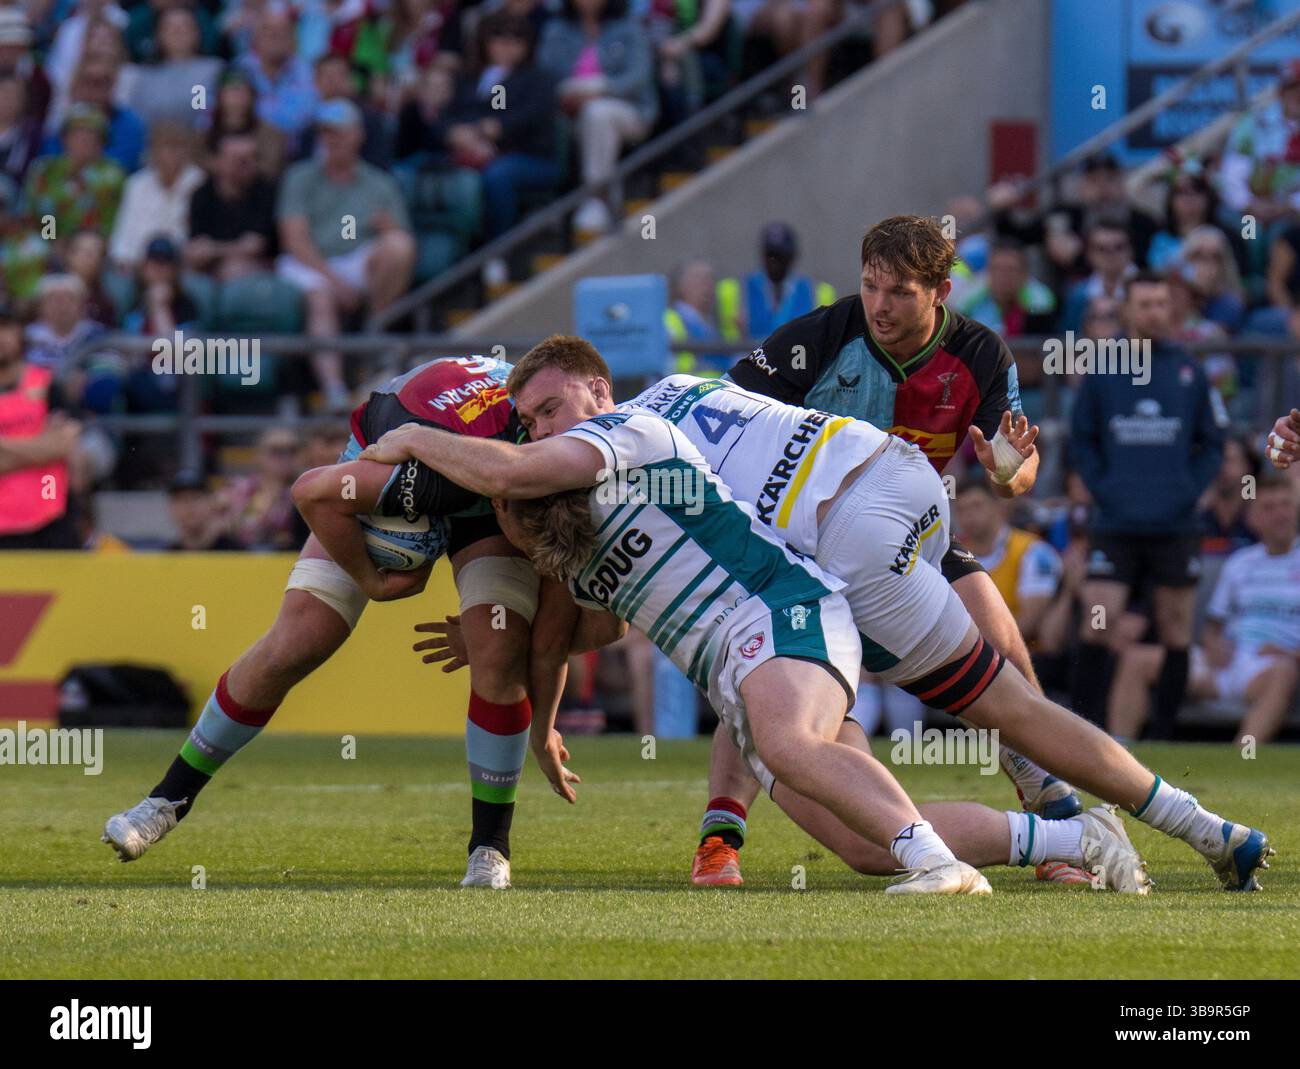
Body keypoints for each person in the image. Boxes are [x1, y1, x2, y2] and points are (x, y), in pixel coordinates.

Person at [369, 336, 1272, 893]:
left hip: (830, 546)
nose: (537, 429)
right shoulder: (640, 439)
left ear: (598, 389)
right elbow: (596, 619)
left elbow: (515, 471)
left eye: (547, 409)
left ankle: (940, 850)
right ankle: (1120, 829)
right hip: (878, 498)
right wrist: (529, 686)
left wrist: (409, 438)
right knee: (891, 801)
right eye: (527, 420)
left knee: (794, 727)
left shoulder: (625, 431)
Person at [713, 214, 1074, 883]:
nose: (879, 305)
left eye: (900, 292)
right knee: (764, 675)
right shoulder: (821, 337)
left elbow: (1016, 468)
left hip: (911, 532)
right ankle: (720, 837)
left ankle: (1053, 809)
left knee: (1002, 641)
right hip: (803, 541)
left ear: (940, 291)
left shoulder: (981, 355)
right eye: (871, 285)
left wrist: (1009, 470)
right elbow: (727, 411)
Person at [101, 356, 549, 892]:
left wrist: (530, 689)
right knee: (297, 641)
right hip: (413, 463)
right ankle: (166, 800)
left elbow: (581, 616)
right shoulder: (409, 476)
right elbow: (312, 492)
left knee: (498, 648)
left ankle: (490, 847)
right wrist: (372, 580)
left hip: (481, 470)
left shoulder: (561, 456)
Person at [1068, 273, 1225, 739]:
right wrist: (1105, 488)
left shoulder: (1189, 370)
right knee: (1098, 621)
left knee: (1176, 629)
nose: (1155, 312)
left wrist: (1187, 489)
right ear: (1127, 310)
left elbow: (1213, 442)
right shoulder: (1102, 371)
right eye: (1145, 304)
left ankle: (1163, 738)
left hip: (1176, 523)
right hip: (1116, 520)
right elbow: (1082, 440)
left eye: (1161, 303)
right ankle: (1082, 735)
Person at [1109, 474, 1300, 745]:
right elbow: (1213, 624)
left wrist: (1290, 653)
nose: (1280, 514)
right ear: (1253, 518)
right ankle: (1119, 754)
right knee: (1137, 659)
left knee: (1284, 673)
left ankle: (1240, 758)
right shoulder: (1239, 563)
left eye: (1286, 505)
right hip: (1227, 661)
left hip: (1271, 667)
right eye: (1269, 508)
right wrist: (1213, 645)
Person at [275, 99, 415, 411]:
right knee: (321, 297)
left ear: (357, 135)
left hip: (354, 259)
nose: (332, 140)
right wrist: (335, 282)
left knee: (398, 245)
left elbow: (401, 235)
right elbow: (295, 241)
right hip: (309, 262)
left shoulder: (378, 182)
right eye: (326, 133)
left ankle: (374, 329)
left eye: (339, 132)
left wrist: (388, 227)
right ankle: (334, 389)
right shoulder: (299, 176)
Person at [538, 0, 656, 236]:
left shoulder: (629, 28)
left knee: (598, 112)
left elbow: (638, 76)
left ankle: (596, 196)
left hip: (628, 110)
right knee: (592, 114)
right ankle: (606, 194)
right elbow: (544, 76)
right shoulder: (555, 31)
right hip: (569, 113)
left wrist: (600, 88)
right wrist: (569, 92)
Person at [0, 305, 82, 551]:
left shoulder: (47, 384)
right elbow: (51, 446)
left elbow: (64, 444)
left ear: (19, 333)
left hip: (49, 515)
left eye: (5, 328)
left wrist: (4, 446)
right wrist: (41, 446)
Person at [953, 477, 1061, 651]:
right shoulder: (952, 556)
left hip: (1026, 657)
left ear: (997, 505)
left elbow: (1029, 622)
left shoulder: (1034, 551)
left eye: (976, 506)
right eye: (961, 510)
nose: (969, 516)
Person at [716, 222, 835, 344]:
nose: (774, 262)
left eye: (780, 256)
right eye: (770, 255)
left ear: (792, 258)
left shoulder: (817, 292)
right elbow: (726, 343)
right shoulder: (737, 290)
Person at [109, 120, 206, 269]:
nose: (171, 154)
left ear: (188, 150)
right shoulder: (136, 184)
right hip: (138, 266)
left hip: (184, 266)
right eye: (165, 147)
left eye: (177, 147)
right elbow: (124, 234)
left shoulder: (200, 183)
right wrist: (127, 261)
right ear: (153, 151)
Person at [186, 131, 279, 281]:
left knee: (235, 270)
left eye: (253, 158)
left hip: (260, 269)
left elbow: (255, 246)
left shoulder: (267, 191)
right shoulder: (202, 194)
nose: (249, 165)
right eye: (240, 160)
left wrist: (213, 249)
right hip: (209, 269)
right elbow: (196, 251)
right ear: (217, 161)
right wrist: (234, 248)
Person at [165, 470, 242, 552]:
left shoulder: (238, 553)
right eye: (180, 499)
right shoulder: (166, 556)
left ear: (212, 502)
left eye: (195, 498)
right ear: (171, 508)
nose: (188, 506)